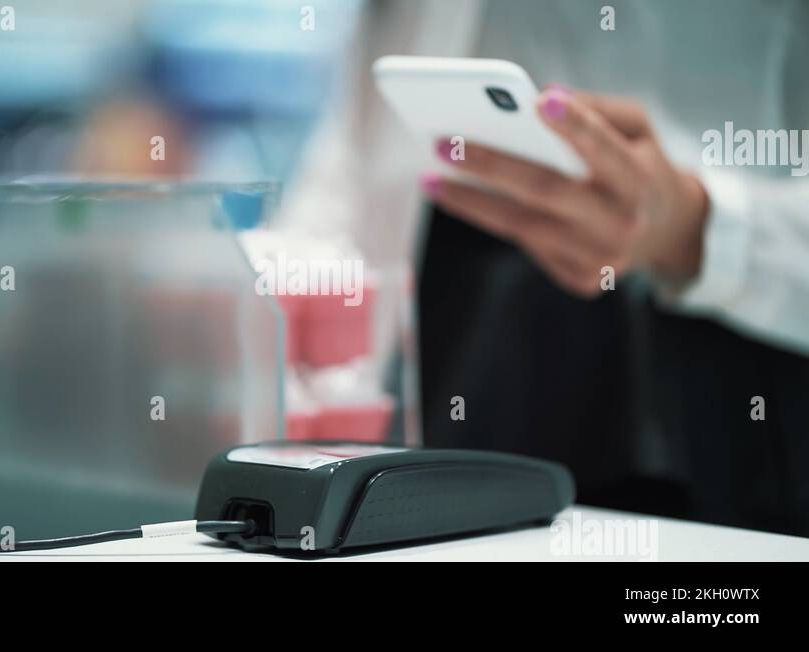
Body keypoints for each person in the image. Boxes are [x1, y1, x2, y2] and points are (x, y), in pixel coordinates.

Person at [277, 0, 809, 535]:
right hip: (453, 298)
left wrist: (702, 229)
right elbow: (365, 103)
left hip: (727, 337)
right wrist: (297, 271)